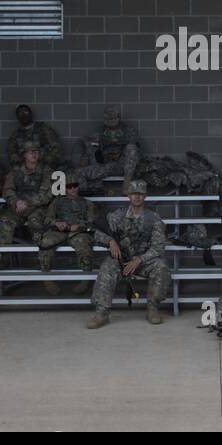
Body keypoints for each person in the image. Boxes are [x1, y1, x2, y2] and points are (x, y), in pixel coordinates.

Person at [87, 180, 169, 329]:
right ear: (128, 196)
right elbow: (97, 233)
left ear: (145, 196)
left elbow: (158, 247)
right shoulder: (117, 216)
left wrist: (139, 259)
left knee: (161, 266)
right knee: (107, 267)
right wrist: (110, 240)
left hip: (142, 262)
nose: (137, 197)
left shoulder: (153, 218)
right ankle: (102, 312)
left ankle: (152, 308)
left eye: (140, 194)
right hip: (121, 261)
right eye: (133, 194)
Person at [39, 173, 97, 296]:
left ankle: (86, 278)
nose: (72, 189)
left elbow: (93, 221)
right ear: (64, 188)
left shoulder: (87, 203)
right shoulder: (57, 202)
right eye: (69, 186)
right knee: (46, 242)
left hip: (78, 232)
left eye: (75, 186)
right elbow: (47, 219)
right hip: (59, 231)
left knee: (83, 243)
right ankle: (46, 277)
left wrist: (80, 225)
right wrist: (57, 223)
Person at [0, 144, 53, 246]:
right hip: (19, 207)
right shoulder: (15, 170)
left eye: (36, 151)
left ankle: (41, 257)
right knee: (6, 221)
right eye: (30, 152)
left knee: (35, 221)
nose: (34, 154)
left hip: (39, 208)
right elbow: (8, 190)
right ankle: (4, 258)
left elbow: (46, 194)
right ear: (24, 155)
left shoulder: (47, 170)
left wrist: (27, 203)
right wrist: (16, 202)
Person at [77, 105, 142, 190]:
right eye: (109, 121)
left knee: (131, 148)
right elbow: (90, 145)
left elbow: (136, 151)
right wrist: (85, 157)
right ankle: (91, 190)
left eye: (113, 120)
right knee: (79, 171)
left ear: (118, 118)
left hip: (123, 165)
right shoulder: (100, 132)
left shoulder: (129, 131)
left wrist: (120, 153)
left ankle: (127, 183)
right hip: (105, 165)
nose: (111, 124)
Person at [7, 104, 65, 169]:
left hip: (45, 166)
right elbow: (11, 154)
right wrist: (26, 163)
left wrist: (44, 160)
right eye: (20, 114)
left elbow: (57, 148)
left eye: (26, 112)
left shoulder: (44, 129)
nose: (24, 115)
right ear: (17, 117)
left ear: (31, 114)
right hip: (25, 170)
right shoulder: (15, 135)